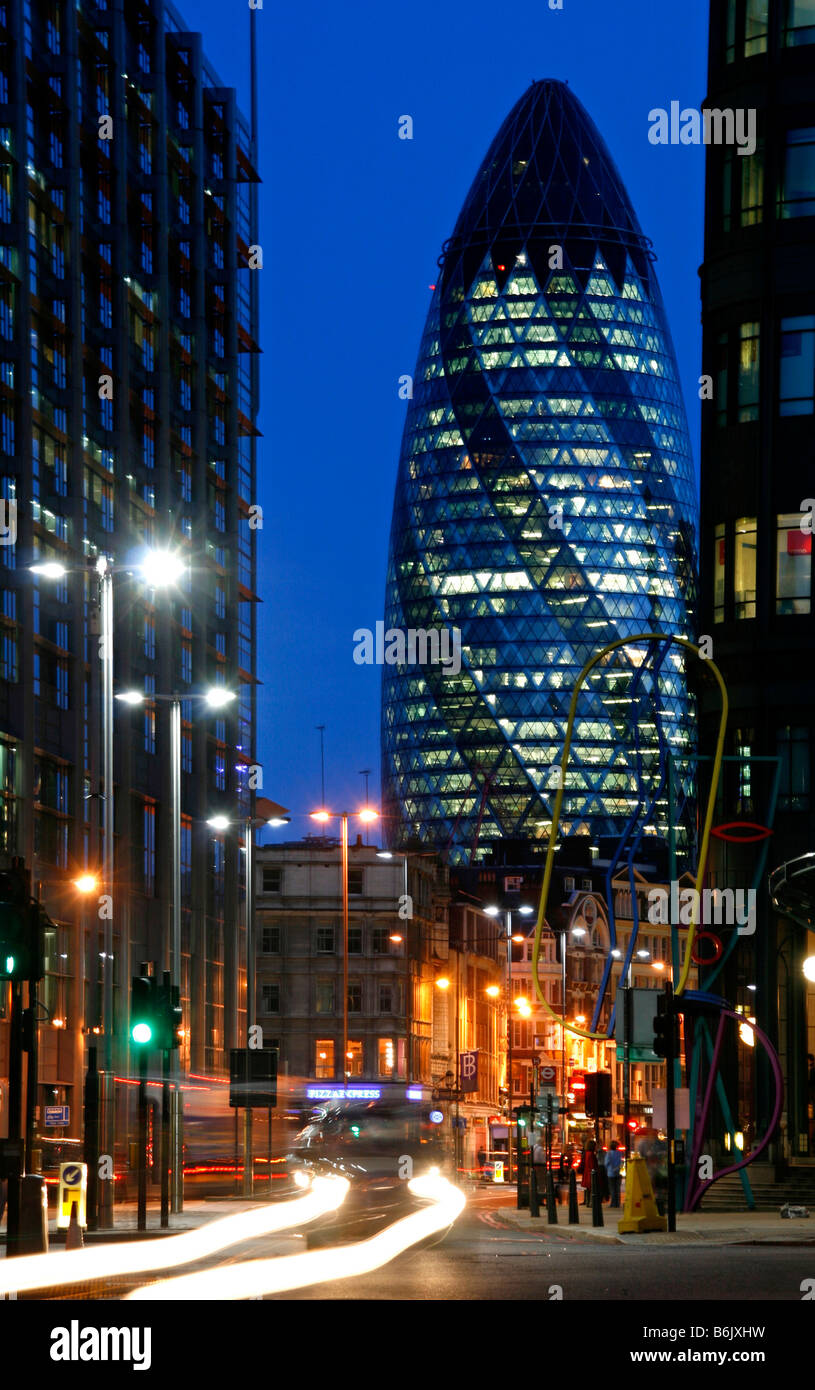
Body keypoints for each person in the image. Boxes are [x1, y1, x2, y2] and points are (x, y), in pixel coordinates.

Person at [604, 1140, 623, 1208]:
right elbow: (621, 1162)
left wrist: (609, 1169)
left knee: (612, 1189)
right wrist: (617, 1168)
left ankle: (613, 1203)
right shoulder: (619, 1153)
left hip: (610, 1173)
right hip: (617, 1172)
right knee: (617, 1189)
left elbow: (606, 1163)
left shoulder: (608, 1153)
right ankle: (617, 1203)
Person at [580, 1139, 597, 1206]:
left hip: (586, 1172)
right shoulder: (591, 1154)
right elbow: (592, 1164)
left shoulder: (586, 1153)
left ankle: (587, 1201)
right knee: (592, 1187)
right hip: (590, 1173)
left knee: (588, 1188)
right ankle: (591, 1202)